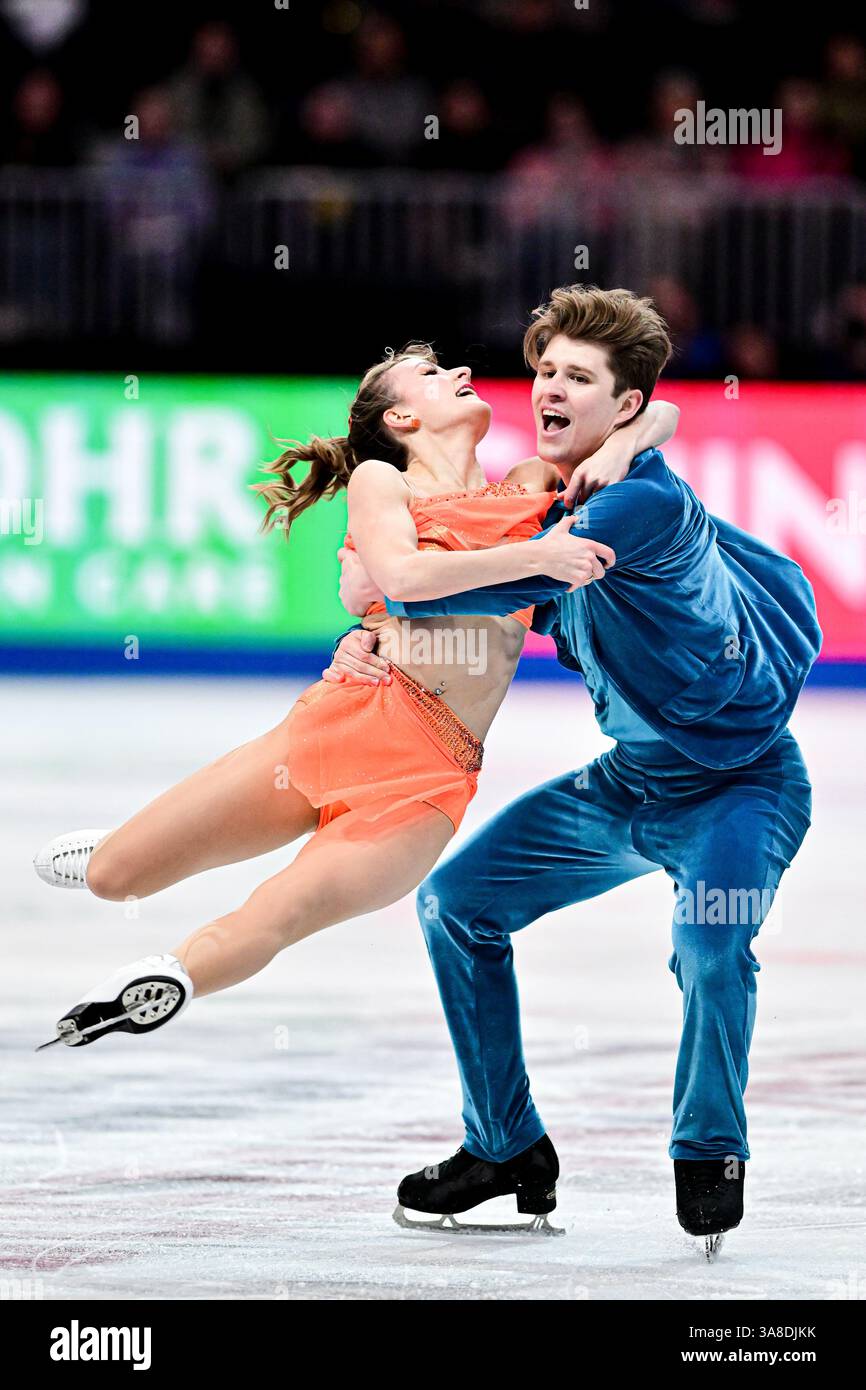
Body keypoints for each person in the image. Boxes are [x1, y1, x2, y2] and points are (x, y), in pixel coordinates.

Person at [32, 341, 679, 1089]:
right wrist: (539, 559)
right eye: (435, 375)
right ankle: (117, 850)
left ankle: (167, 978)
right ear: (402, 417)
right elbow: (406, 575)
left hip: (428, 787)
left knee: (279, 912)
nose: (461, 372)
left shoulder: (532, 486)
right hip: (345, 724)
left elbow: (659, 412)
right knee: (117, 879)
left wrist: (625, 441)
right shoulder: (383, 483)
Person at [328, 285, 821, 1252]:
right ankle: (504, 1145)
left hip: (739, 786)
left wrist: (384, 593)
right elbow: (478, 604)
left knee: (711, 951)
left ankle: (709, 1145)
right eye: (546, 370)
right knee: (457, 904)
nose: (549, 388)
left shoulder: (636, 507)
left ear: (622, 406)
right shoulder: (564, 495)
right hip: (628, 787)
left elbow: (466, 582)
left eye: (579, 379)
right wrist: (379, 640)